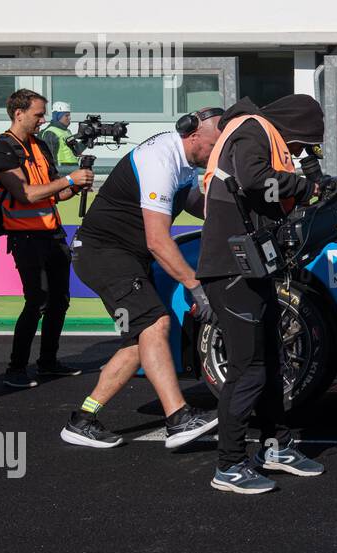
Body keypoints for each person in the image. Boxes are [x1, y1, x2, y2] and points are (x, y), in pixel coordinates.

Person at [60, 109, 226, 450]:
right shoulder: (160, 160)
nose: (215, 154)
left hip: (125, 255)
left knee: (141, 342)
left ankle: (83, 420)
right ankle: (178, 418)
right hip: (103, 253)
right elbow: (158, 241)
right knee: (155, 322)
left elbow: (195, 202)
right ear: (193, 135)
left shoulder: (184, 161)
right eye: (214, 146)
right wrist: (196, 288)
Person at [197, 95, 328, 494]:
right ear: (294, 127)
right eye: (302, 144)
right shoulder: (253, 128)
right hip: (230, 268)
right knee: (249, 367)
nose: (300, 153)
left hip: (252, 266)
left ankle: (275, 447)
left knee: (271, 360)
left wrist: (312, 187)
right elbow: (254, 178)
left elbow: (264, 192)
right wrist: (305, 186)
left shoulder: (262, 133)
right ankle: (229, 465)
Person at [0, 89, 93, 389]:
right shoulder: (2, 147)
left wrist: (75, 185)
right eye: (38, 114)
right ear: (18, 113)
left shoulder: (40, 145)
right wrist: (69, 179)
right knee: (36, 300)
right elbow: (26, 194)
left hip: (52, 232)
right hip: (25, 237)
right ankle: (16, 368)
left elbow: (53, 194)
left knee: (59, 301)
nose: (43, 120)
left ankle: (48, 362)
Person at [39, 102, 77, 168]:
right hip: (61, 170)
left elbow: (76, 151)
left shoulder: (67, 131)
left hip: (72, 168)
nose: (69, 118)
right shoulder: (50, 132)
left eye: (69, 115)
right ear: (57, 117)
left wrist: (85, 141)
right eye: (66, 116)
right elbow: (49, 157)